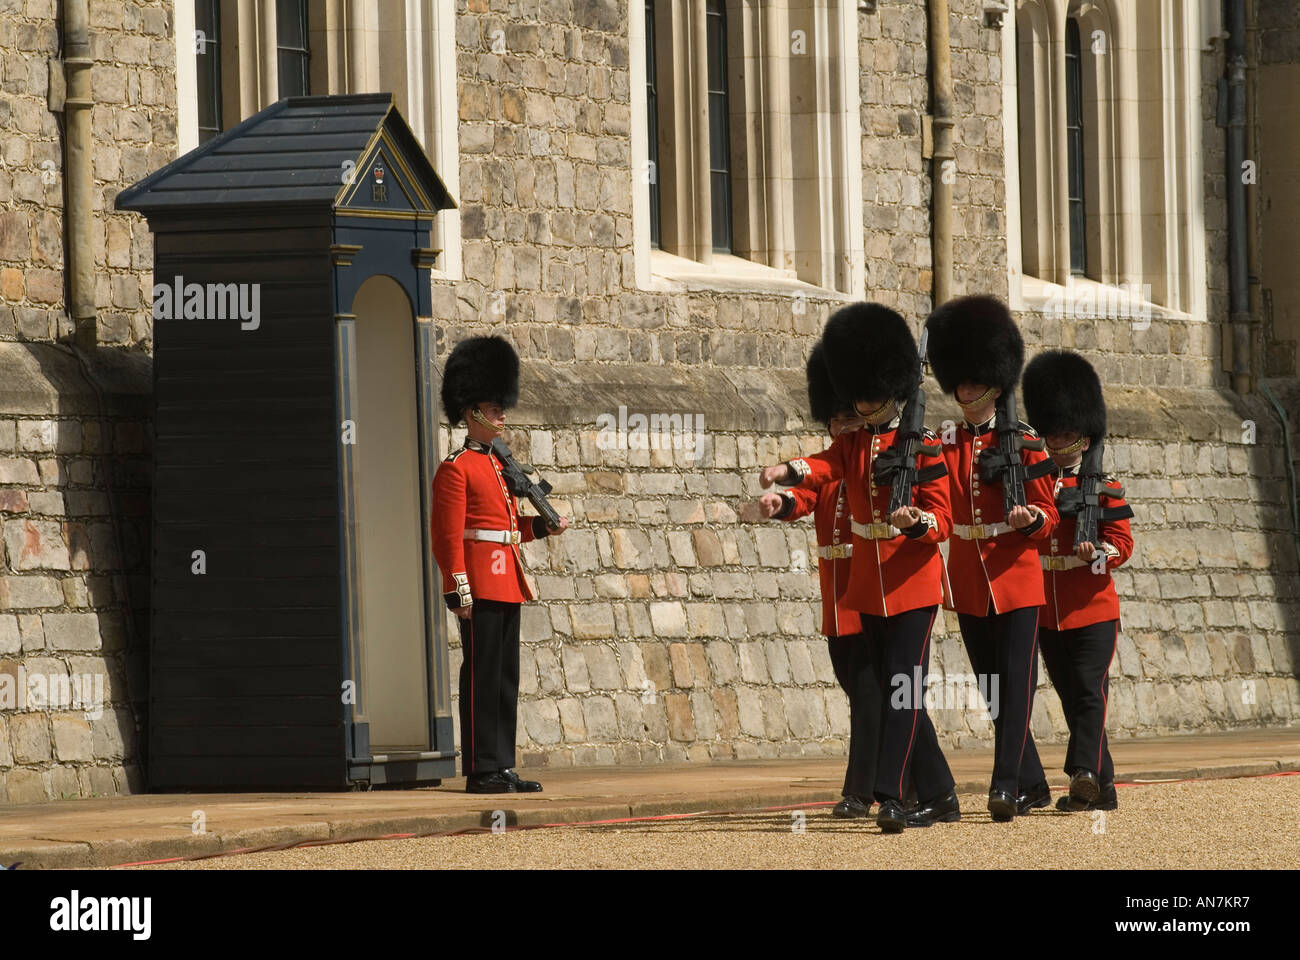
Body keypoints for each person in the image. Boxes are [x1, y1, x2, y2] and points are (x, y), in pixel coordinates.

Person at [758, 303, 957, 834]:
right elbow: (825, 466)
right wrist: (786, 471)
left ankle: (890, 796)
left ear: (892, 391)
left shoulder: (925, 446)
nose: (863, 405)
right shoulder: (855, 443)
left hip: (912, 584)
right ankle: (939, 795)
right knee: (895, 690)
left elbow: (944, 520)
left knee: (900, 691)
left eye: (872, 396)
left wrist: (916, 525)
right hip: (868, 587)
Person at [924, 295, 1058, 822]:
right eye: (959, 382)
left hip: (1017, 577)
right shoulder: (946, 440)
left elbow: (1049, 512)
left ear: (995, 385)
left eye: (973, 382)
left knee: (1017, 684)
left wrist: (1032, 521)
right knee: (994, 689)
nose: (964, 391)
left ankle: (1005, 787)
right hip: (970, 580)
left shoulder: (1025, 442)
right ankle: (1034, 783)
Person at [742, 343, 876, 818]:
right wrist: (779, 504)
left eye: (850, 421)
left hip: (868, 597)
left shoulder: (868, 466)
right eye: (837, 422)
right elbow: (805, 497)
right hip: (837, 602)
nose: (843, 429)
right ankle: (905, 782)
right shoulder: (828, 468)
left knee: (870, 696)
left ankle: (861, 791)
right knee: (862, 694)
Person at [432, 335, 569, 794]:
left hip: (508, 580)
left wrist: (543, 528)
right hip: (480, 585)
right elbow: (448, 536)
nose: (501, 415)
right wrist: (458, 589)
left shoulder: (498, 465)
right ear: (472, 412)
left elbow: (508, 530)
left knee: (505, 677)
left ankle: (502, 763)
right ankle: (480, 768)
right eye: (494, 408)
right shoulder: (457, 468)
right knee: (481, 676)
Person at [1022, 349, 1133, 812]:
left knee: (1090, 692)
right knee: (1074, 699)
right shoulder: (1034, 483)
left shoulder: (1104, 486)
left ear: (1084, 439)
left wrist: (1099, 555)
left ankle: (1082, 773)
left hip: (1093, 608)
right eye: (1053, 432)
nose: (1057, 440)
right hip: (1050, 613)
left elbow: (1121, 543)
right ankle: (1103, 787)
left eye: (1066, 433)